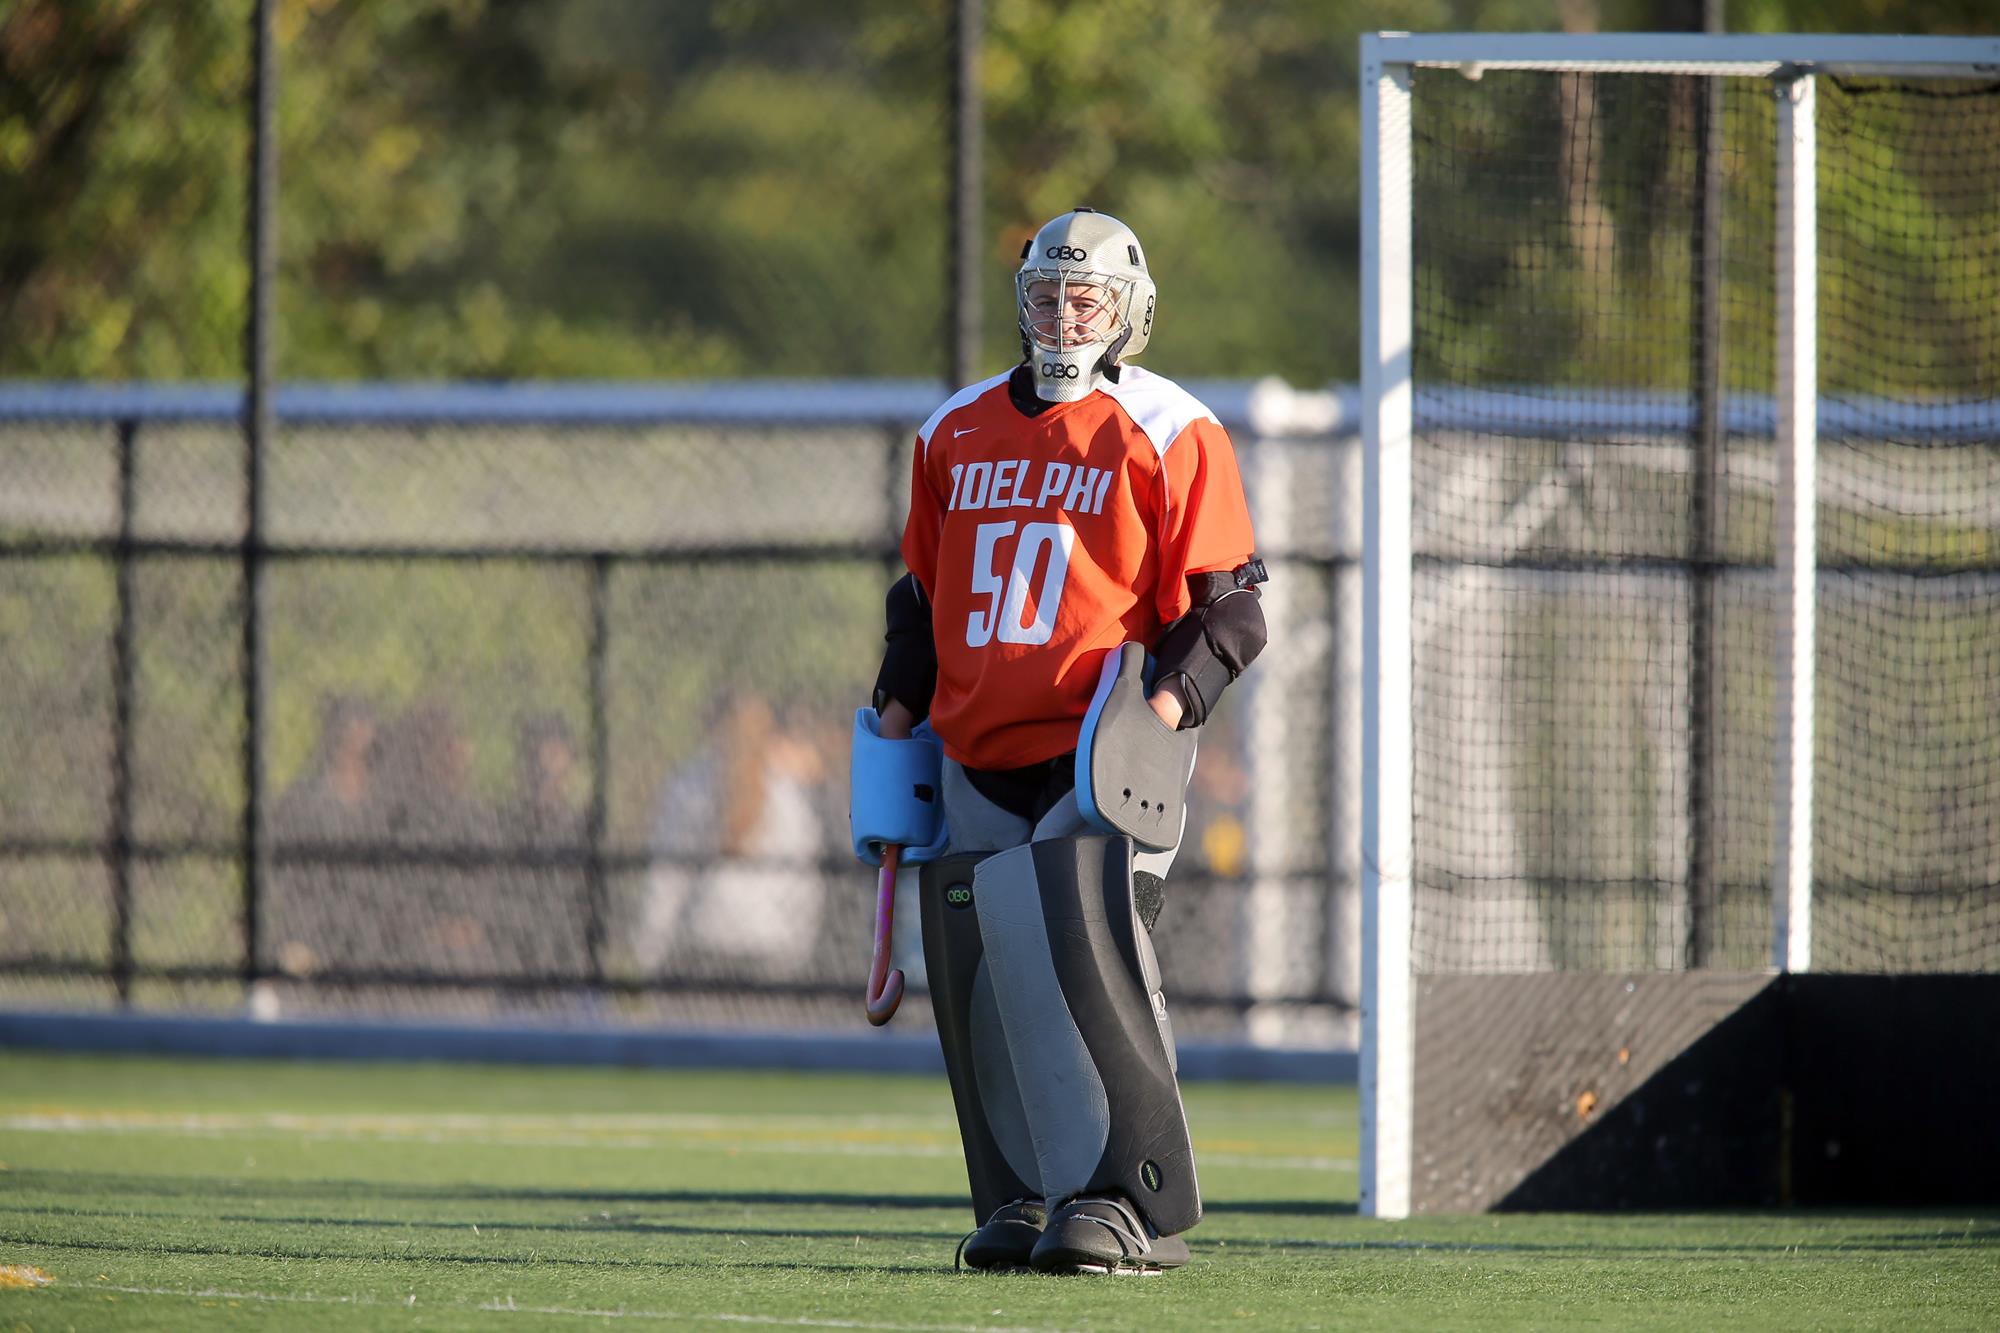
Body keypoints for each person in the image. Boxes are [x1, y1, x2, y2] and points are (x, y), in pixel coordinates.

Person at [852, 208, 1267, 1274]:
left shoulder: (1174, 428)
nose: (1065, 312)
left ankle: (1130, 1205)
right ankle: (1030, 1193)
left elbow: (1229, 616)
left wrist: (1151, 726)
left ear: (1130, 308)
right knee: (989, 980)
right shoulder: (952, 428)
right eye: (1047, 291)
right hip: (975, 746)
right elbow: (922, 603)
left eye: (1086, 295)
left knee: (1093, 967)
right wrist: (891, 728)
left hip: (1095, 752)